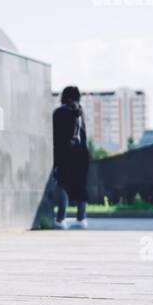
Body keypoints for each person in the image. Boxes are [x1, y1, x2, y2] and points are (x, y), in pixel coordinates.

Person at [52, 86, 90, 229]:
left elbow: (56, 138)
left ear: (66, 97)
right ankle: (81, 219)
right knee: (80, 186)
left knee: (62, 184)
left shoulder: (60, 112)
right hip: (82, 154)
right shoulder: (80, 113)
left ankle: (60, 220)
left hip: (67, 152)